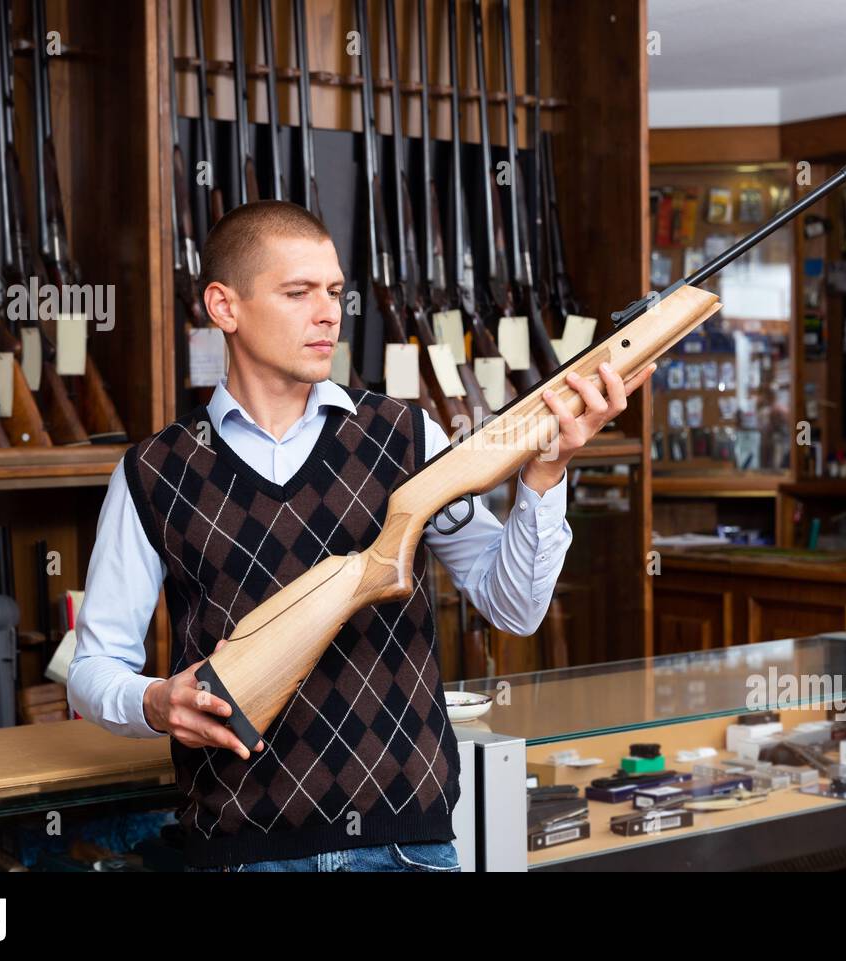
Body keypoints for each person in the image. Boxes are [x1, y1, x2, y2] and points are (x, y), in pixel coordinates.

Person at [68, 200, 654, 872]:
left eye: (335, 292)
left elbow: (514, 607)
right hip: (240, 850)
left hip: (406, 845)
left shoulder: (406, 437)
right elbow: (91, 670)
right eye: (298, 293)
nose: (327, 313)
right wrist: (154, 700)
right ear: (223, 307)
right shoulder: (154, 471)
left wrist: (545, 477)